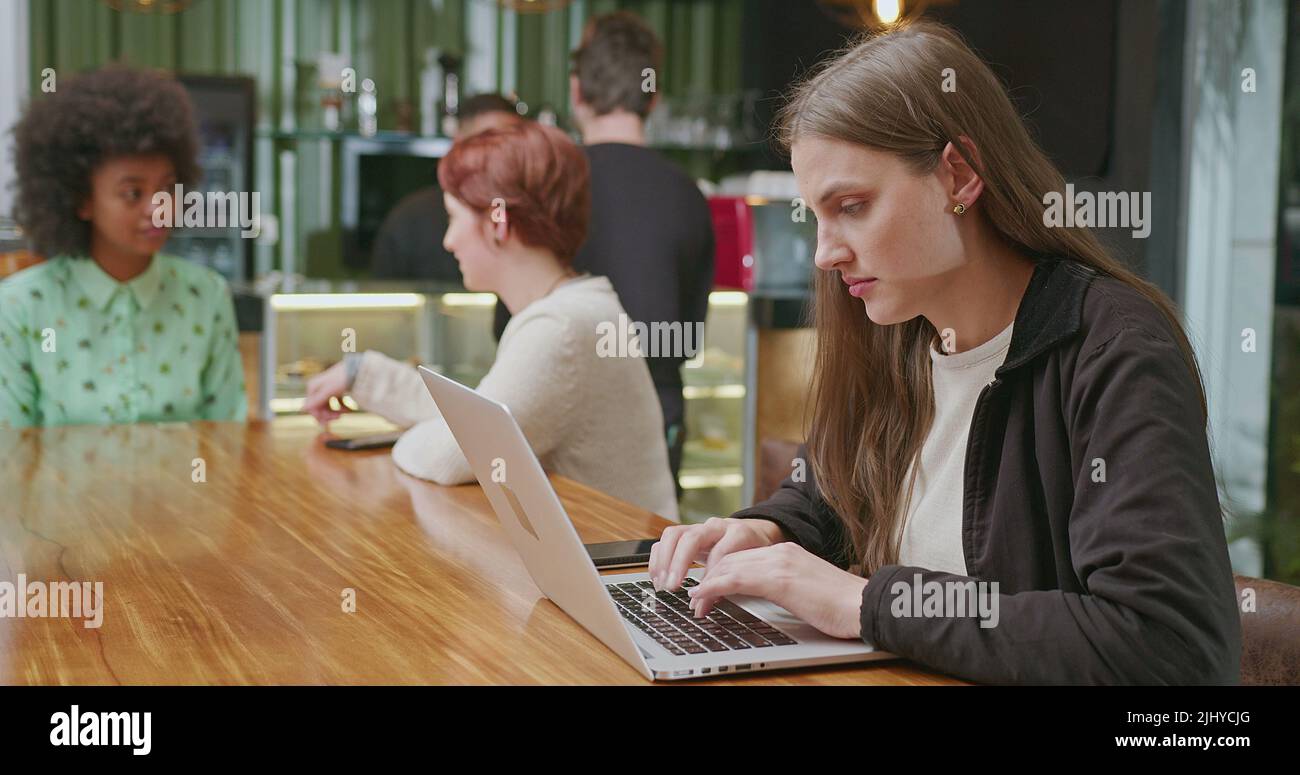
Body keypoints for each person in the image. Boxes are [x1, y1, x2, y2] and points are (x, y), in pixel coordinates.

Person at [648, 21, 1240, 684]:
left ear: (957, 175)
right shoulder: (895, 328)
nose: (824, 251)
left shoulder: (1114, 351)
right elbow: (824, 497)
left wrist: (868, 601)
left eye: (852, 205)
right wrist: (766, 532)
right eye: (815, 214)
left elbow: (1167, 647)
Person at [304, 121, 679, 520]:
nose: (448, 240)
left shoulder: (561, 331)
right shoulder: (571, 308)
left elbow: (455, 454)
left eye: (453, 216)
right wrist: (363, 374)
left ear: (498, 222)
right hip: (609, 557)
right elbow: (478, 421)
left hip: (627, 569)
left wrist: (401, 438)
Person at [493, 11, 715, 489]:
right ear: (652, 98)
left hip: (548, 418)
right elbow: (687, 338)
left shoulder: (547, 184)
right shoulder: (688, 194)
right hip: (654, 426)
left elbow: (507, 323)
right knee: (650, 560)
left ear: (576, 91)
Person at [0, 65, 246, 428]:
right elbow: (11, 455)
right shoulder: (21, 307)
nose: (159, 208)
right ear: (81, 199)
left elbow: (228, 440)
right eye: (133, 193)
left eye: (166, 188)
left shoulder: (206, 297)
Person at [370, 94, 523, 282]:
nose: (501, 151)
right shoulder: (410, 219)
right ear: (458, 142)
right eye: (487, 140)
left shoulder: (531, 215)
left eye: (511, 141)